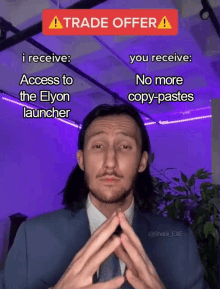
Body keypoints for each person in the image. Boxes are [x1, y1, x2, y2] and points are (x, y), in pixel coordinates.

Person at [1, 104, 209, 289]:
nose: (110, 161)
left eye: (125, 146)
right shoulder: (32, 236)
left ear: (142, 162)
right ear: (81, 160)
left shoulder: (180, 241)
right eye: (98, 146)